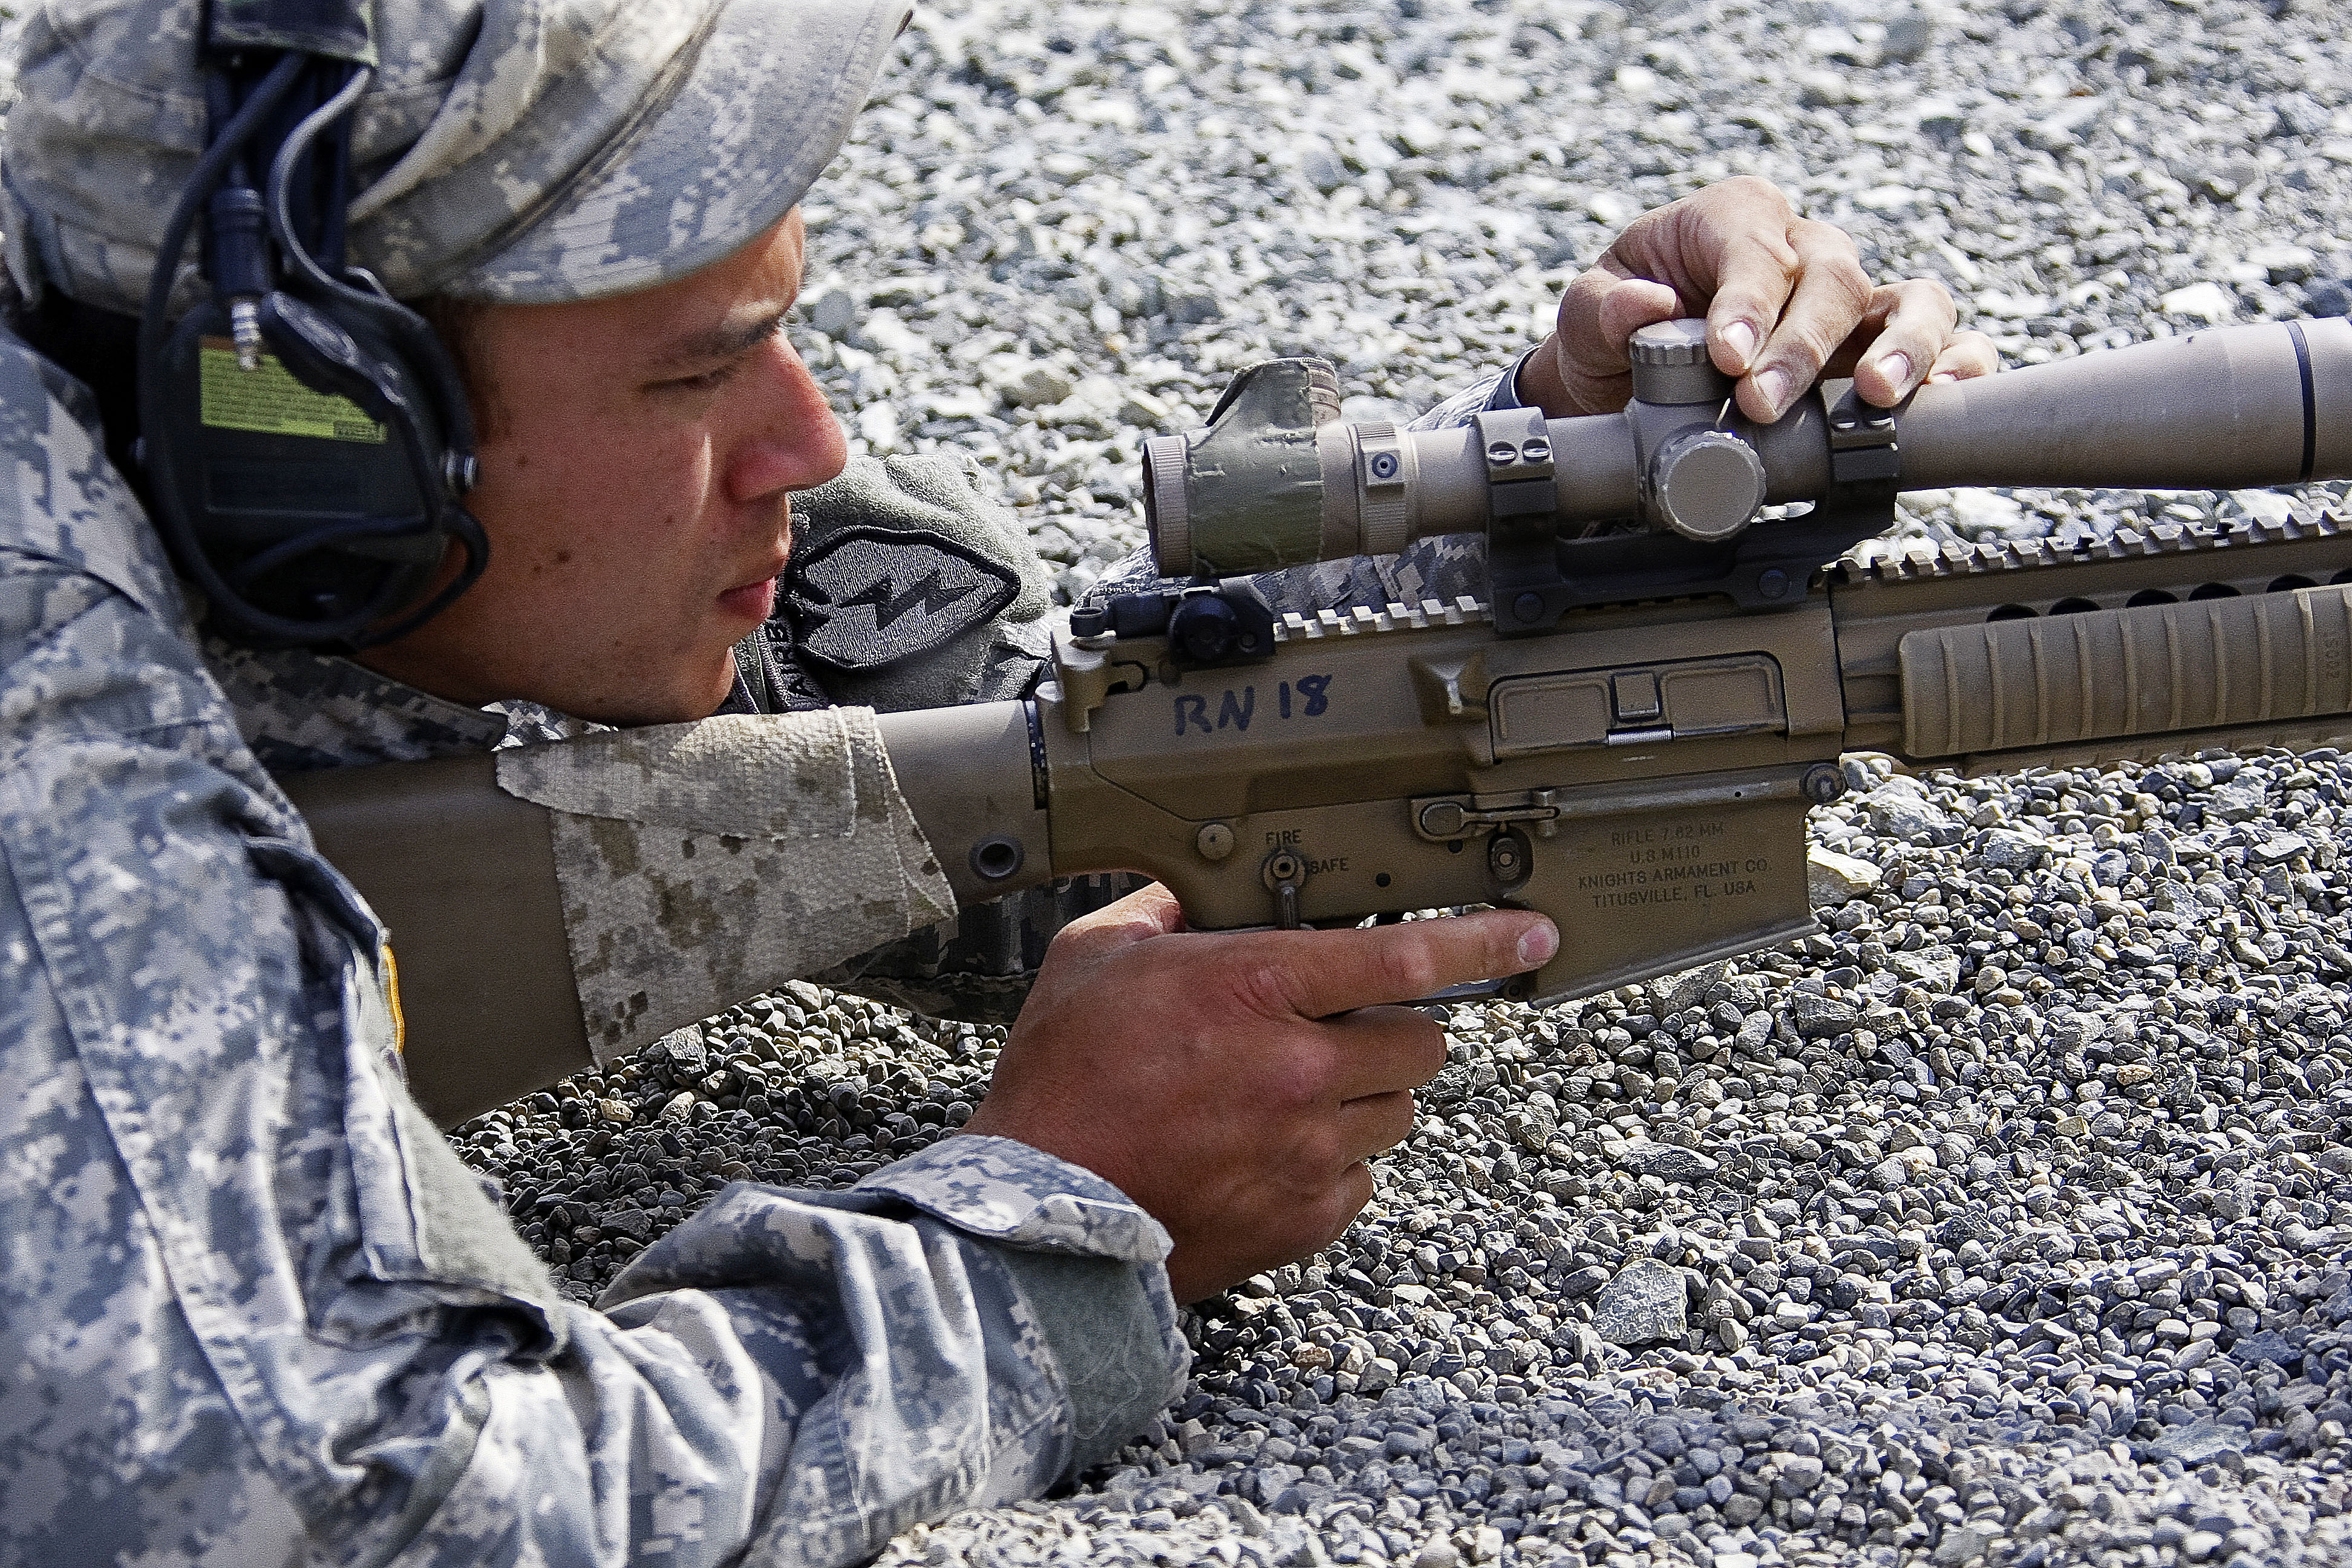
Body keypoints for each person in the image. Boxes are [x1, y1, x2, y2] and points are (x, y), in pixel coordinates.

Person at [0, 0, 1998, 1560]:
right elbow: (358, 1515)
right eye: (698, 374)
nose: (808, 439)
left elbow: (1020, 779)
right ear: (332, 438)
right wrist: (1031, 1239)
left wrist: (1568, 524)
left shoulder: (208, 392)